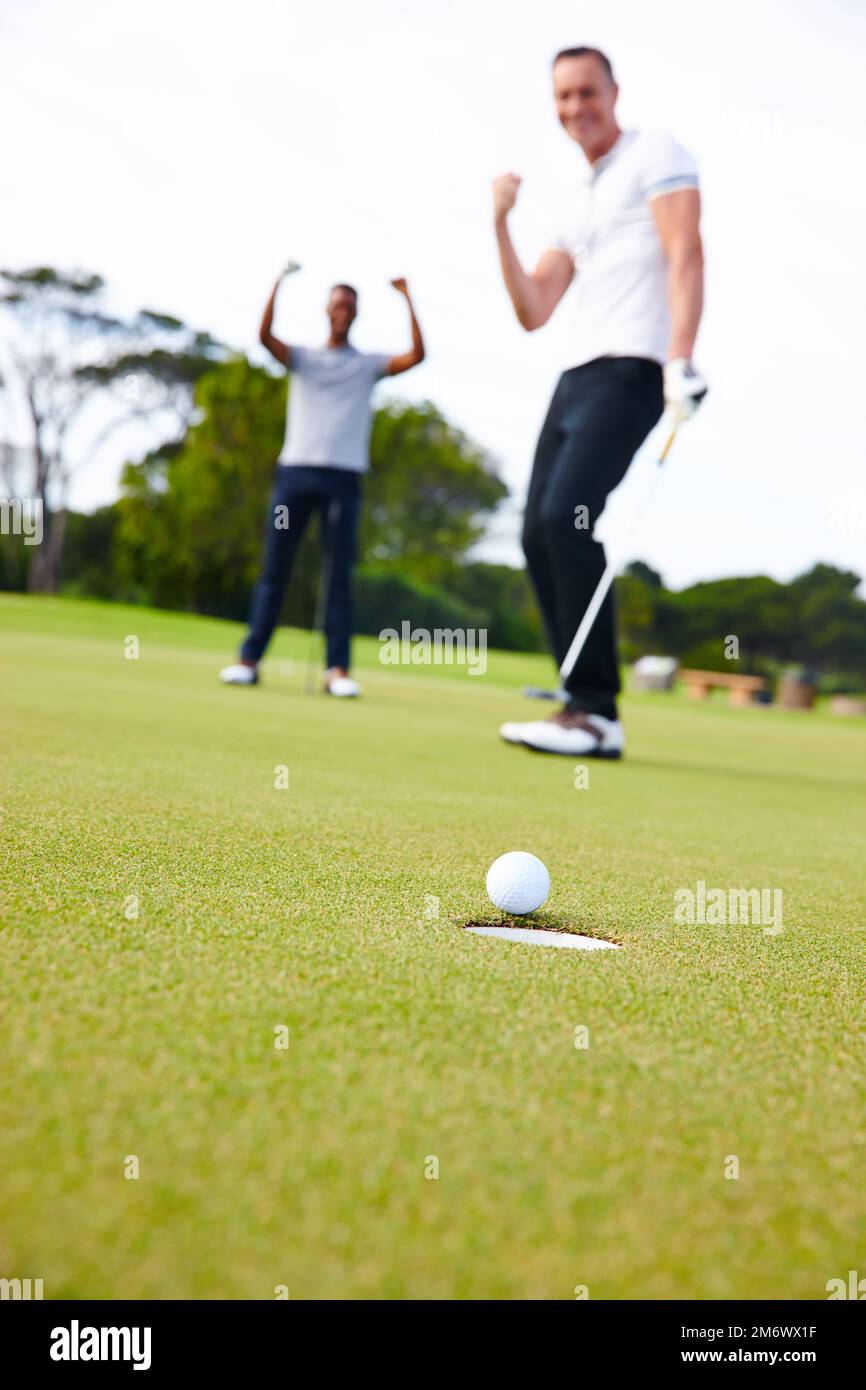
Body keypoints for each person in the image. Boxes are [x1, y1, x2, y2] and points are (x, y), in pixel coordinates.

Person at [494, 46, 707, 757]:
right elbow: (535, 307)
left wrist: (680, 359)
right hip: (575, 375)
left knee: (567, 516)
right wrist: (500, 224)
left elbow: (685, 252)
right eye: (561, 98)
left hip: (634, 370)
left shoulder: (657, 151)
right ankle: (575, 698)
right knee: (534, 533)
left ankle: (596, 712)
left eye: (586, 92)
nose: (574, 108)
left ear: (614, 90)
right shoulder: (577, 196)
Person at [220, 273, 425, 696]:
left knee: (339, 576)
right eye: (337, 305)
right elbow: (264, 337)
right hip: (293, 476)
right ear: (327, 310)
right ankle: (249, 659)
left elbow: (417, 356)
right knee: (274, 568)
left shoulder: (367, 364)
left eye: (349, 306)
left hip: (343, 480)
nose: (342, 312)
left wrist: (408, 299)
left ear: (356, 314)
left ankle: (338, 671)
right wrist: (276, 282)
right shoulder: (303, 357)